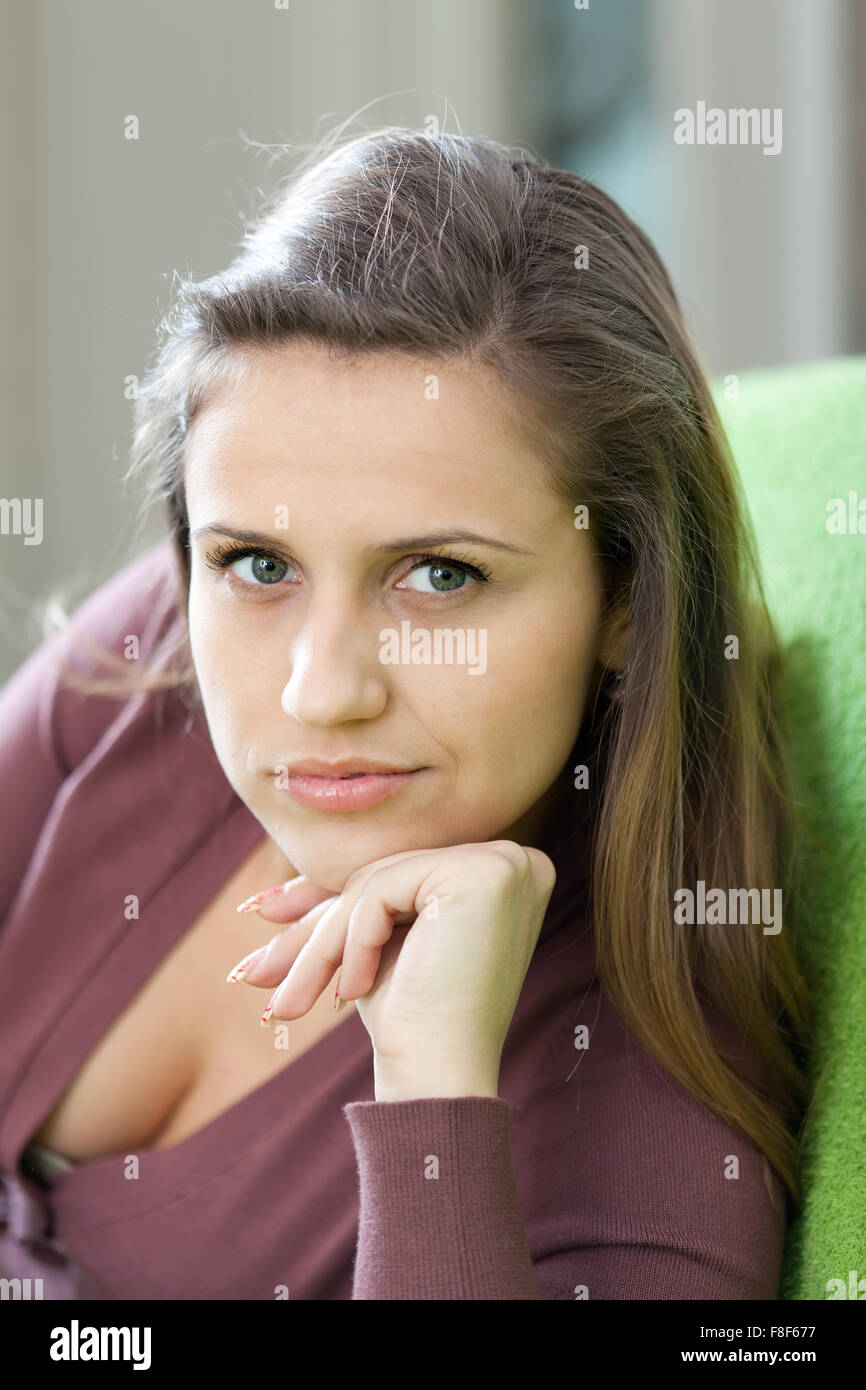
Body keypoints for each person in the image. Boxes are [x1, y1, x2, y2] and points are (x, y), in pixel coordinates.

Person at [0, 127, 813, 1300]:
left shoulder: (656, 1128)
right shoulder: (160, 650)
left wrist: (433, 1085)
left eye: (439, 574)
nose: (319, 691)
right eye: (257, 562)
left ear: (630, 598)